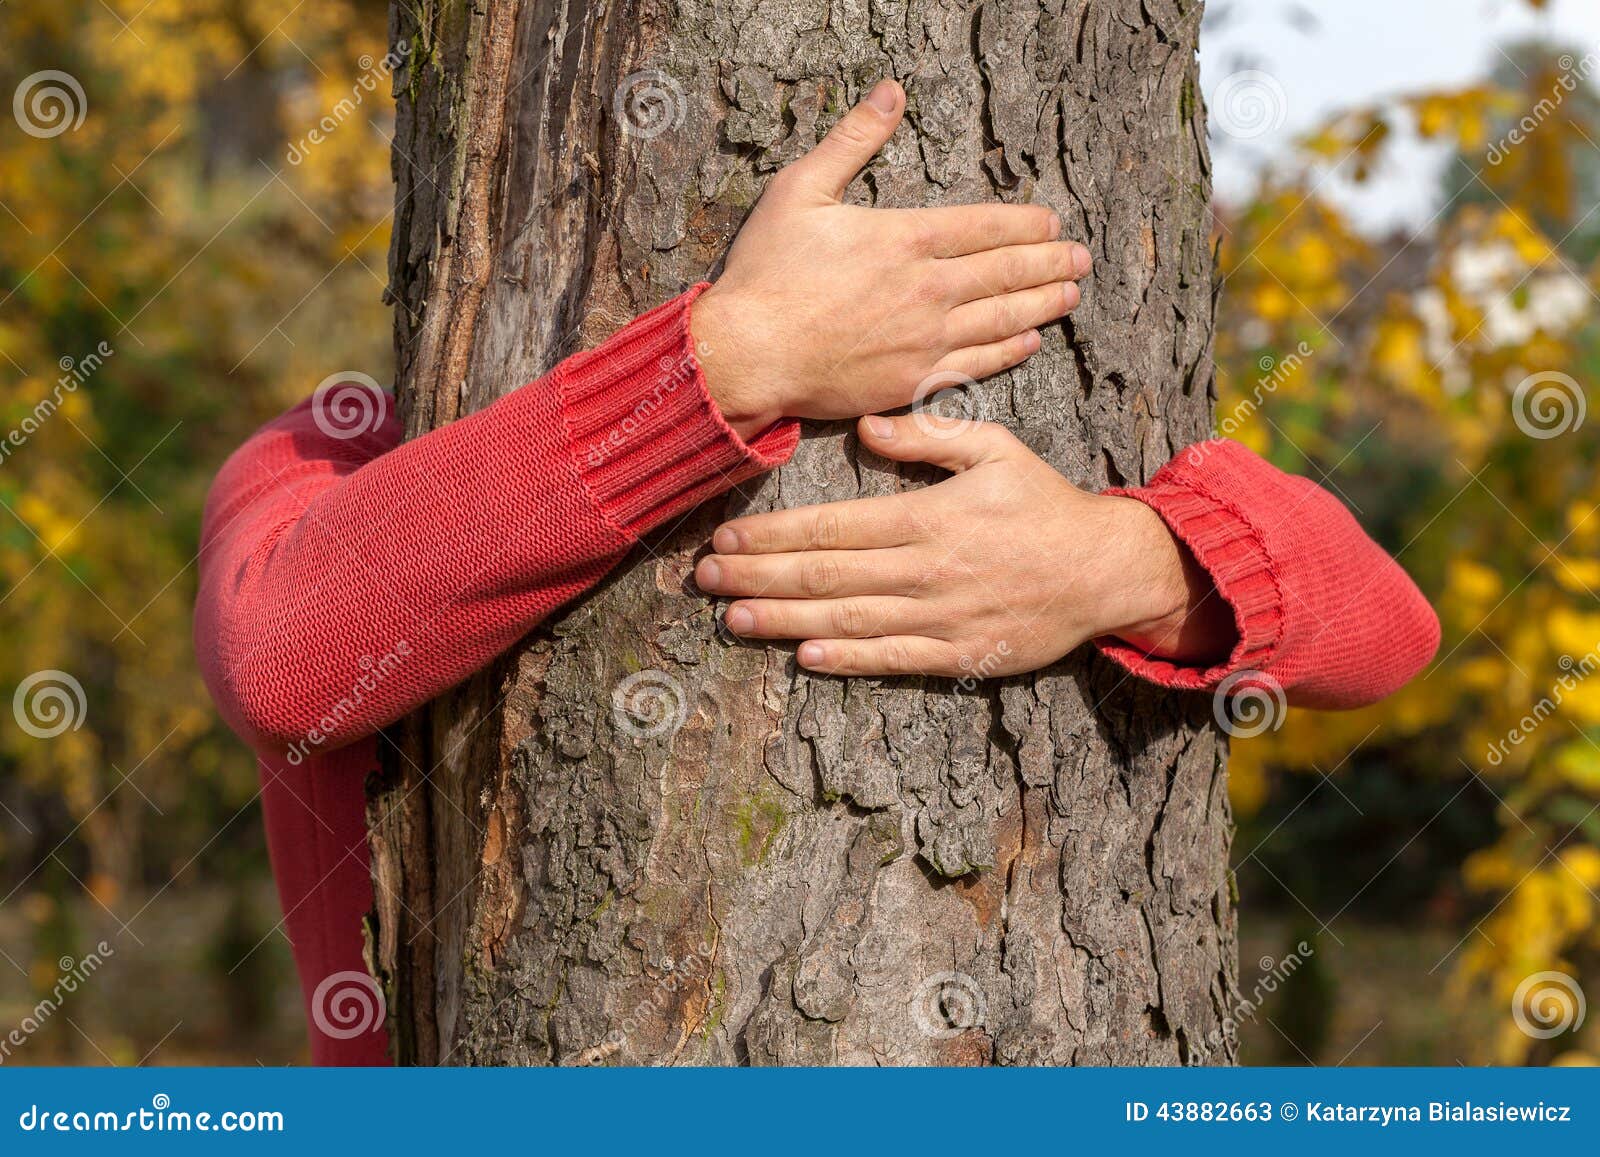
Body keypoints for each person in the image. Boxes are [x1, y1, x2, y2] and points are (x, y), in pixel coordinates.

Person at [194, 81, 1438, 1064]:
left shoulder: (1108, 426)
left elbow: (1390, 627)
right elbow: (286, 656)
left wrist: (1117, 560)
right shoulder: (334, 452)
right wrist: (734, 359)